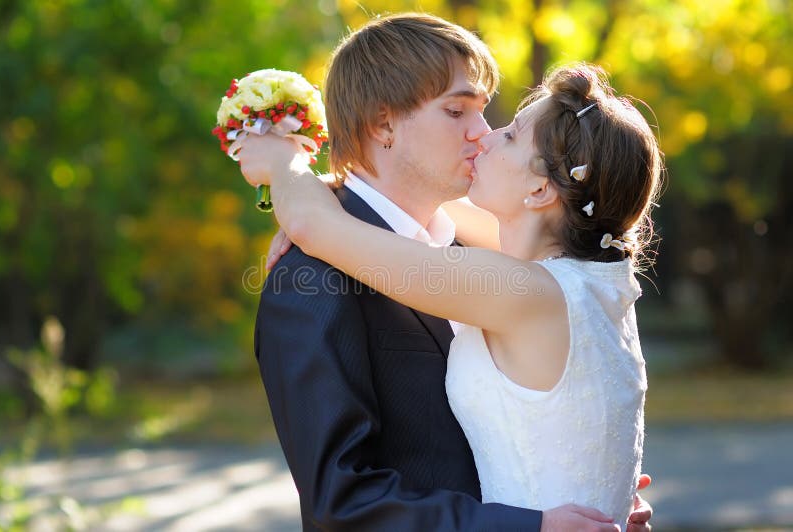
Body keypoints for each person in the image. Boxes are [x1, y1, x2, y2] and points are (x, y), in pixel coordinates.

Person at [245, 13, 654, 531]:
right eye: (458, 111)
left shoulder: (494, 268)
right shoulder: (311, 282)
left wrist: (590, 486)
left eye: (491, 119)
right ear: (383, 124)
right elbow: (342, 506)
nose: (483, 135)